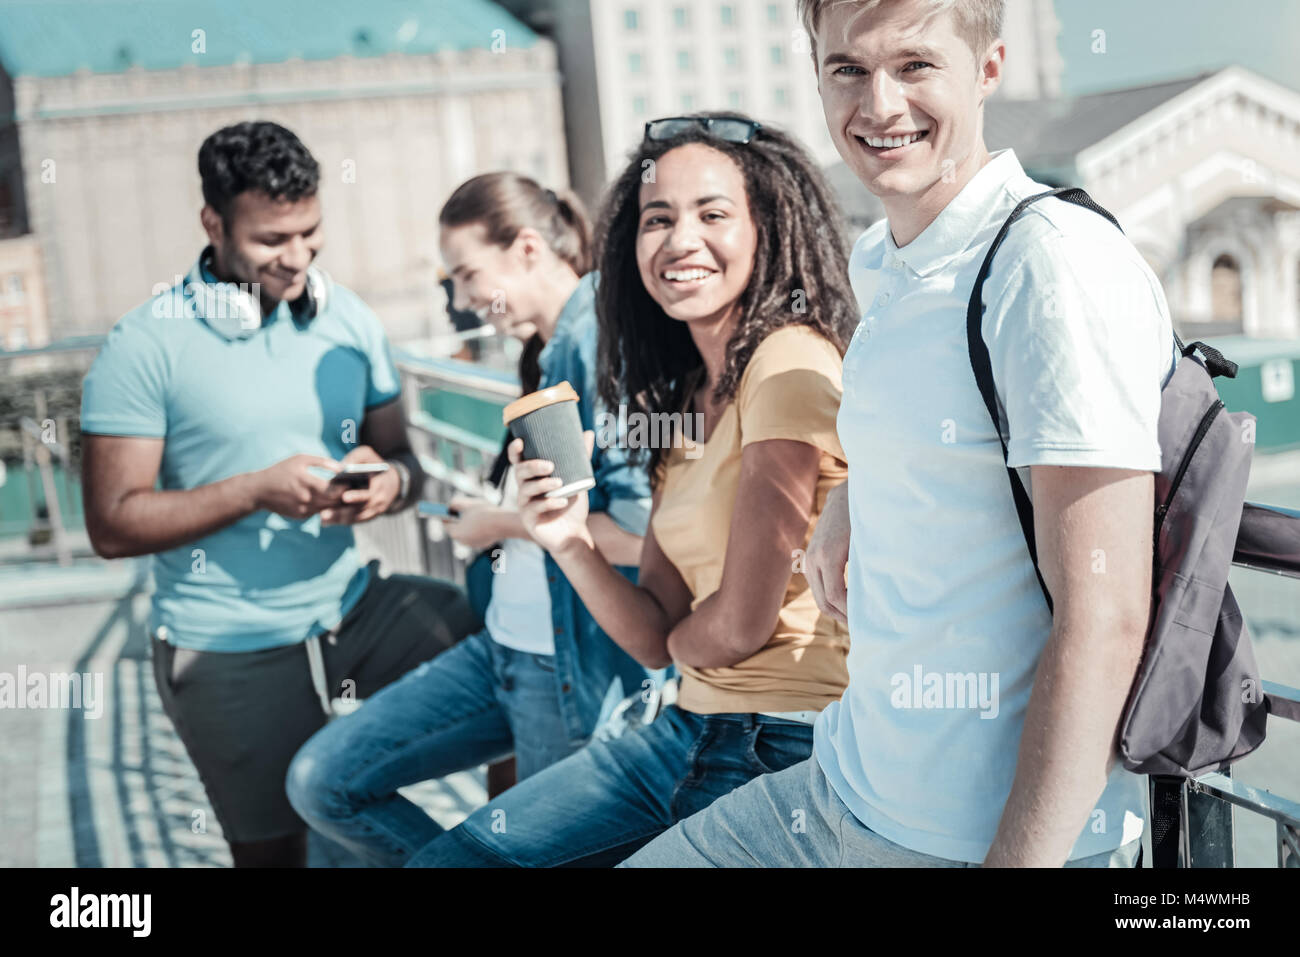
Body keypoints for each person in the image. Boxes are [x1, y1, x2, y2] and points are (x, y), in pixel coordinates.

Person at [624, 0, 1176, 868]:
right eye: (848, 69)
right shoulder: (885, 260)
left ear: (988, 69)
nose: (878, 105)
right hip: (841, 783)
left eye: (915, 66)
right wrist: (855, 493)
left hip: (965, 839)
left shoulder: (1049, 264)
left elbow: (1105, 616)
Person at [405, 113, 860, 867]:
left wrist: (684, 646)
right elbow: (654, 631)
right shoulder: (680, 397)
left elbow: (741, 622)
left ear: (766, 228)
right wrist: (568, 539)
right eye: (658, 218)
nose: (680, 240)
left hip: (784, 738)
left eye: (713, 214)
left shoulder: (786, 362)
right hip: (688, 724)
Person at [79, 120, 478, 868]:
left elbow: (405, 461)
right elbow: (111, 523)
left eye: (310, 233)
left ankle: (502, 852)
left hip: (359, 611)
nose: (296, 258)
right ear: (213, 223)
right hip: (227, 646)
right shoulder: (142, 345)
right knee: (274, 857)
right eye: (272, 240)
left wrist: (388, 484)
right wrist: (255, 490)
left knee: (515, 653)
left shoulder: (350, 317)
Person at [284, 172, 659, 866]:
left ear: (525, 249)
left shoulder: (599, 339)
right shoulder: (552, 351)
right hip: (503, 651)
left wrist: (498, 525)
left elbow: (639, 533)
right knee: (322, 780)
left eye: (466, 275)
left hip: (563, 673)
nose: (460, 299)